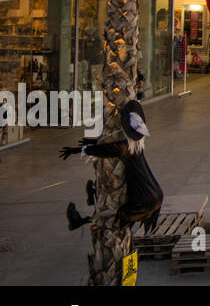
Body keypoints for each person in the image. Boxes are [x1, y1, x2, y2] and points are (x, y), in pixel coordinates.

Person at [61, 99, 163, 234]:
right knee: (122, 218)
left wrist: (76, 150)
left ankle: (82, 220)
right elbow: (109, 146)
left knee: (116, 215)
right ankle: (89, 204)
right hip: (157, 194)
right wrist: (94, 141)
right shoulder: (138, 146)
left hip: (144, 200)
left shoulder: (124, 148)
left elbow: (105, 150)